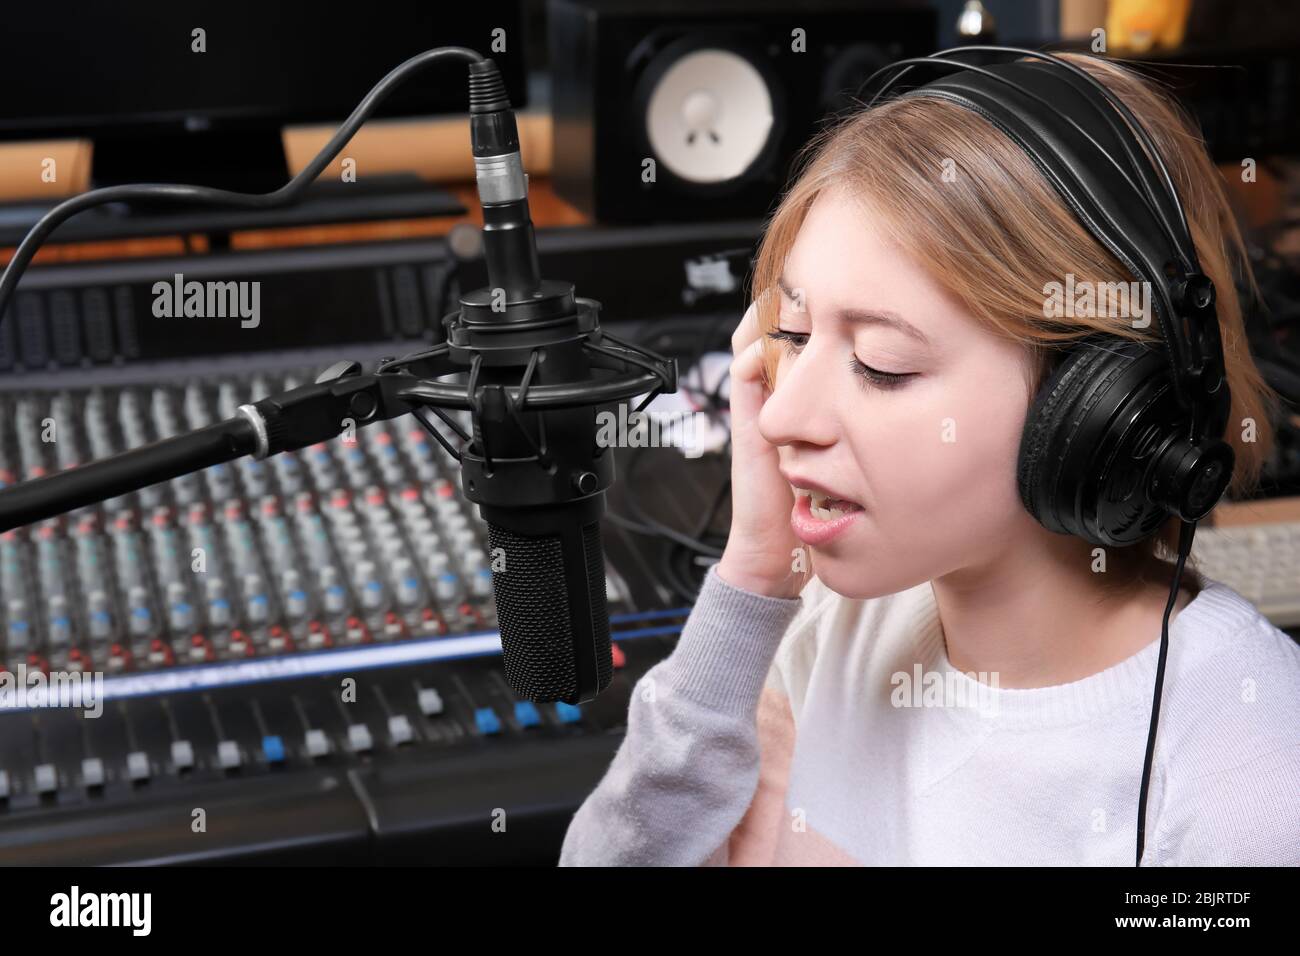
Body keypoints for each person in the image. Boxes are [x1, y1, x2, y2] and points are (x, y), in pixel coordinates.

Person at [558, 52, 1300, 866]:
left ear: (1098, 405)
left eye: (882, 364)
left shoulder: (1250, 772)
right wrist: (753, 575)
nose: (785, 415)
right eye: (794, 339)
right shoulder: (828, 629)